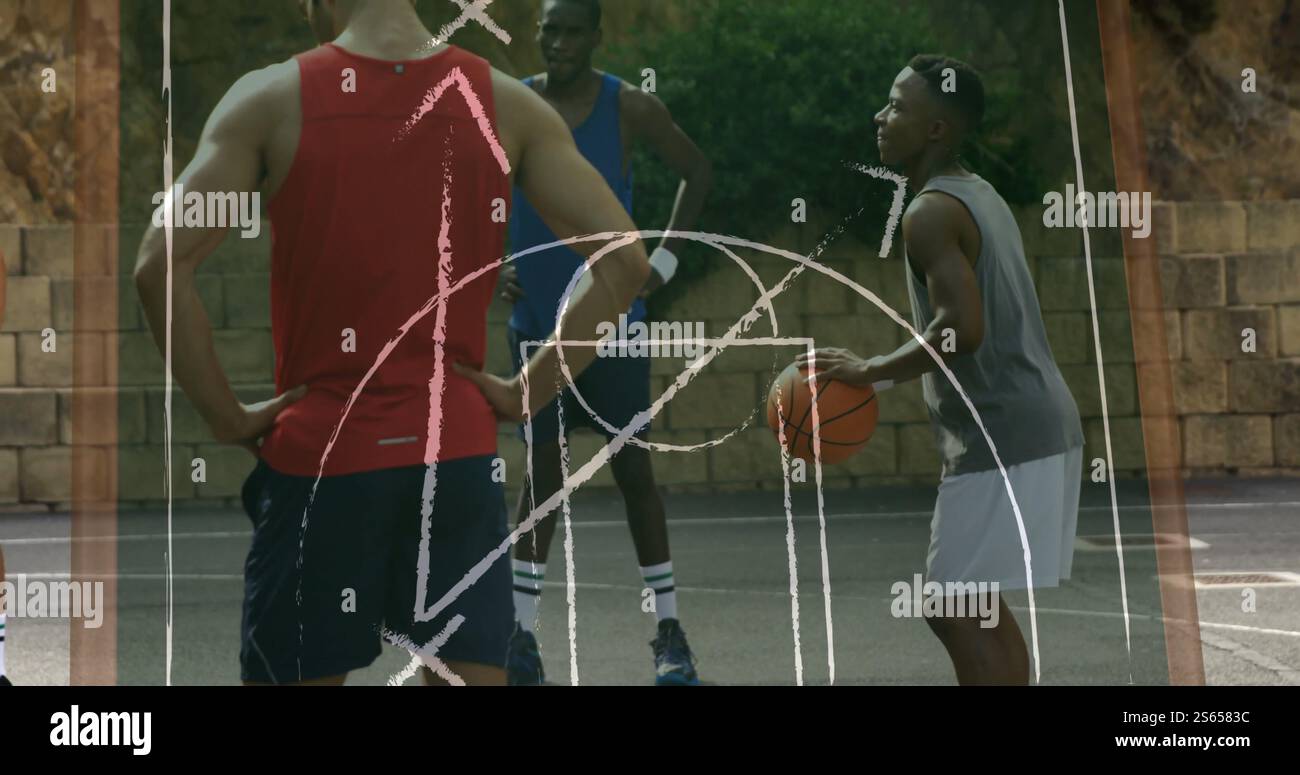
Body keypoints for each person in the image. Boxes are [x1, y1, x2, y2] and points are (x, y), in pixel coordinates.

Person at [133, 0, 649, 686]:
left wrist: (228, 417)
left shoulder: (268, 99)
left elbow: (157, 264)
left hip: (323, 461)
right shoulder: (505, 102)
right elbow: (625, 261)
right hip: (456, 462)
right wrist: (531, 387)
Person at [795, 55, 1083, 685]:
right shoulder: (976, 193)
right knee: (969, 602)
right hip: (1030, 426)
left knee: (951, 601)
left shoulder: (929, 213)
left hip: (1006, 434)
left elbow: (961, 328)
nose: (880, 115)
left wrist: (871, 370)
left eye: (897, 105)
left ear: (935, 130)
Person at [500, 0, 713, 687]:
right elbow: (475, 188)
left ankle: (670, 633)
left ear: (597, 36)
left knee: (635, 476)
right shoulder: (514, 105)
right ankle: (522, 640)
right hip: (537, 322)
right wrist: (493, 257)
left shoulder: (629, 108)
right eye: (547, 29)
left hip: (613, 326)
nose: (557, 42)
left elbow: (697, 171)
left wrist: (665, 264)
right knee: (542, 481)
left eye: (571, 31)